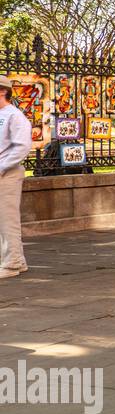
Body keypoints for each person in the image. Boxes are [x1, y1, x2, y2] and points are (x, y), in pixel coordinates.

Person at [0, 76, 33, 279]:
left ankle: (11, 264)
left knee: (7, 220)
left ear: (2, 91)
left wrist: (2, 166)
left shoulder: (15, 116)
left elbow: (22, 146)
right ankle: (16, 261)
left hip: (8, 174)